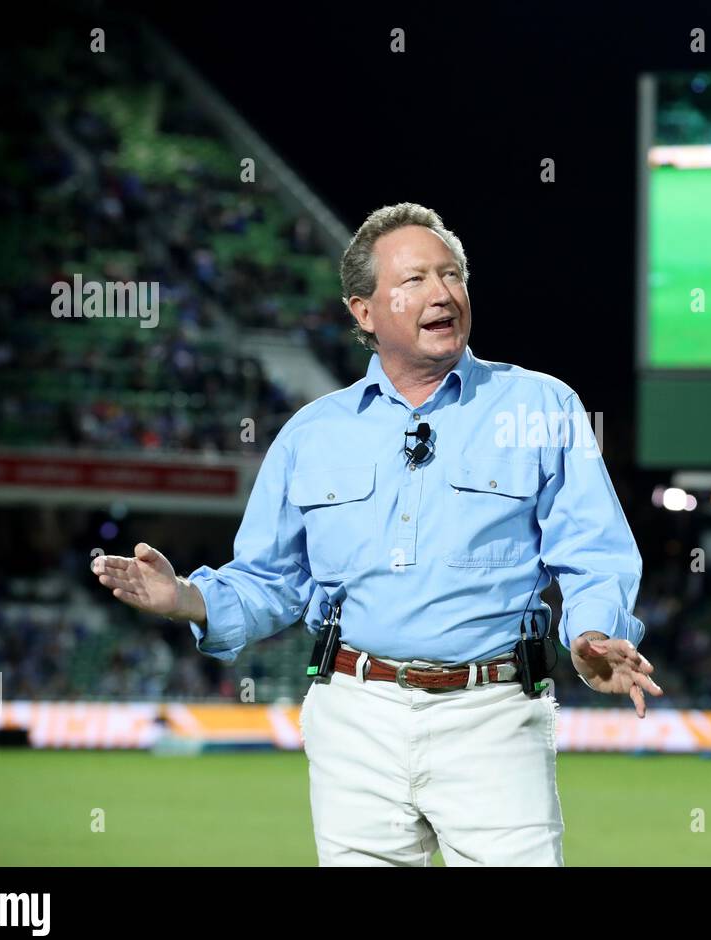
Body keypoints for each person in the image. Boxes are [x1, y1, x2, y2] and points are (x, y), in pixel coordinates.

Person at [92, 202, 661, 865]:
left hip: (493, 717)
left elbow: (592, 550)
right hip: (352, 719)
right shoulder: (312, 433)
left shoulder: (540, 406)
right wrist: (186, 599)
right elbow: (271, 581)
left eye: (452, 275)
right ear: (363, 312)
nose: (442, 292)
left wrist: (592, 633)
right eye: (414, 279)